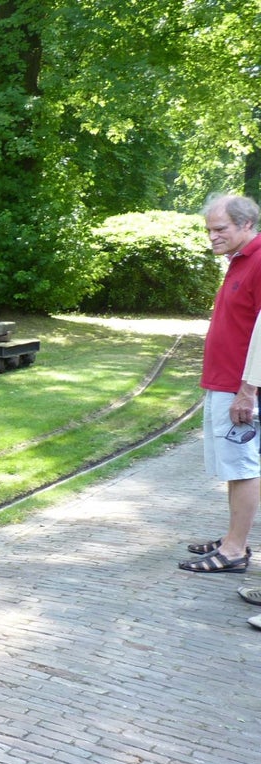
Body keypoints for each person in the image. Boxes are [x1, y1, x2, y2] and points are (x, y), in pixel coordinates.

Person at [180, 193, 261, 574]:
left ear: (246, 225)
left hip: (239, 386)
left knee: (243, 466)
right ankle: (233, 536)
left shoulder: (259, 261)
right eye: (209, 230)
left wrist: (248, 390)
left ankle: (234, 550)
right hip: (224, 381)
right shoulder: (239, 261)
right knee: (233, 467)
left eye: (220, 229)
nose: (211, 236)